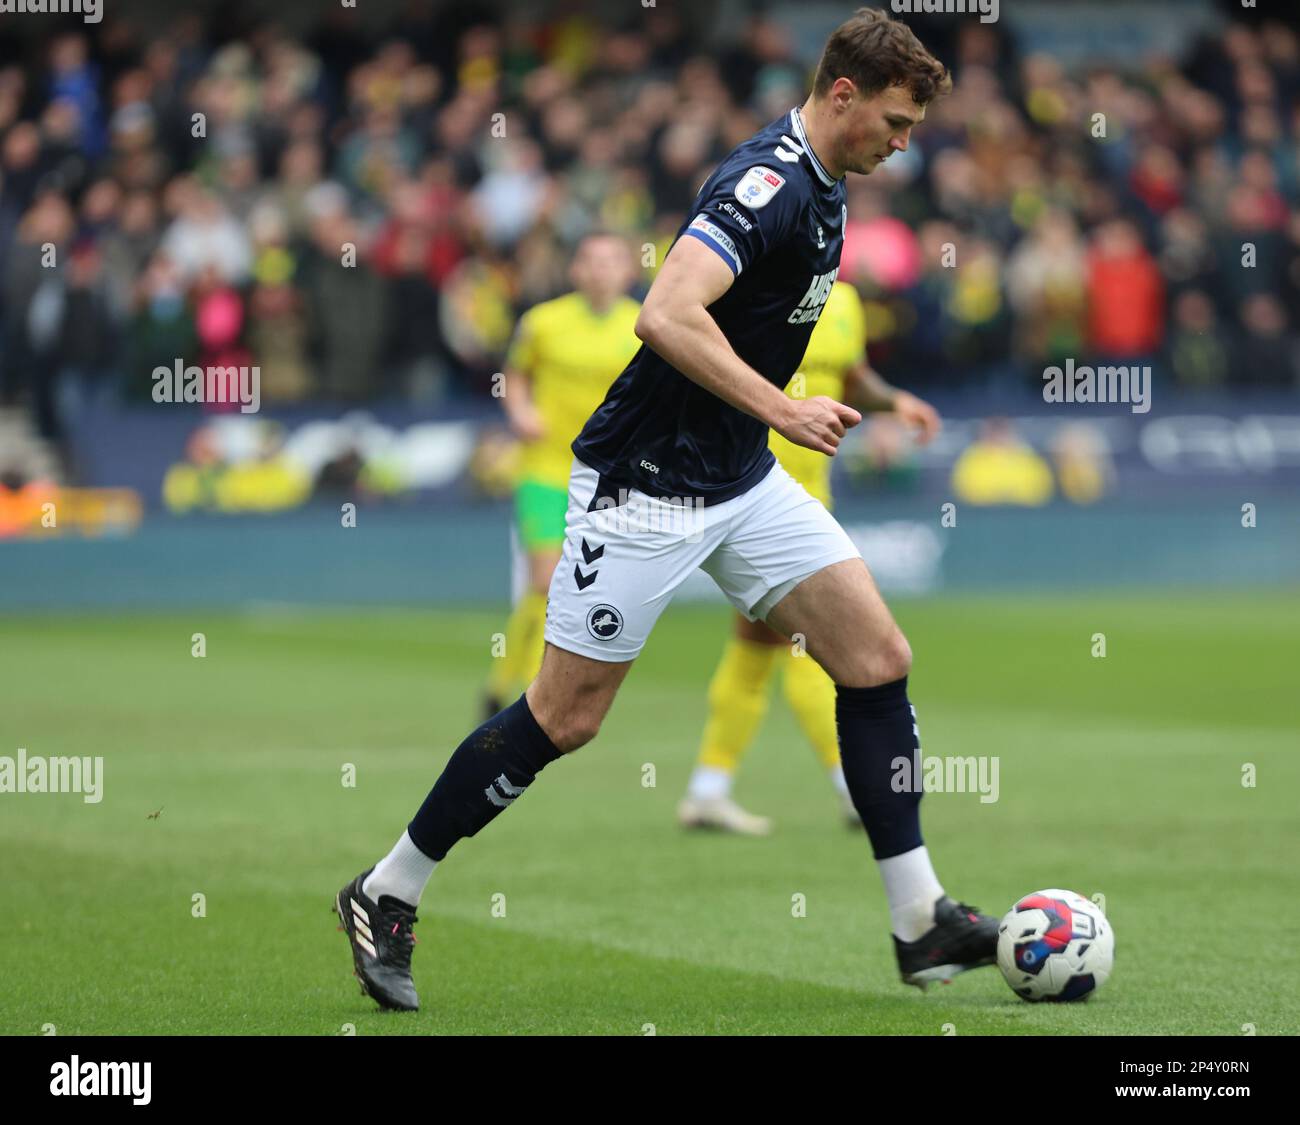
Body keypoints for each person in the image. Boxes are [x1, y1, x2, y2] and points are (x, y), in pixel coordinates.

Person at [337, 8, 999, 1012]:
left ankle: (919, 922)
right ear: (842, 96)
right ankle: (387, 889)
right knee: (563, 717)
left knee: (876, 661)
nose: (902, 146)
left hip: (738, 478)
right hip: (644, 485)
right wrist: (783, 409)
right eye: (895, 123)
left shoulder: (828, 185)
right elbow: (665, 311)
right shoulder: (764, 184)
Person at [677, 279, 940, 835]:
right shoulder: (744, 289)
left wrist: (894, 400)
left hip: (809, 500)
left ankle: (709, 786)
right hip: (748, 494)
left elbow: (850, 374)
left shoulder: (843, 301)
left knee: (758, 647)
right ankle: (854, 788)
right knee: (817, 642)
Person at [483, 233, 641, 714]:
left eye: (612, 261)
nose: (600, 271)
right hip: (547, 470)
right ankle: (530, 700)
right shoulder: (544, 323)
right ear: (575, 270)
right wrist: (520, 411)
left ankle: (499, 684)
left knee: (578, 589)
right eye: (591, 261)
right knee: (544, 581)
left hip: (607, 479)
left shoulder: (643, 325)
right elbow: (514, 374)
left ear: (628, 272)